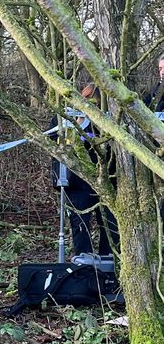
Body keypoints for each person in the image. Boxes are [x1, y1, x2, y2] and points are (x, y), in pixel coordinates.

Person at [50, 84, 119, 256]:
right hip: (76, 181)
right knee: (80, 224)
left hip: (106, 180)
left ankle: (109, 261)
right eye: (87, 100)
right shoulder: (67, 116)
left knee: (110, 225)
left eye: (95, 102)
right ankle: (84, 261)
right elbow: (52, 141)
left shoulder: (108, 119)